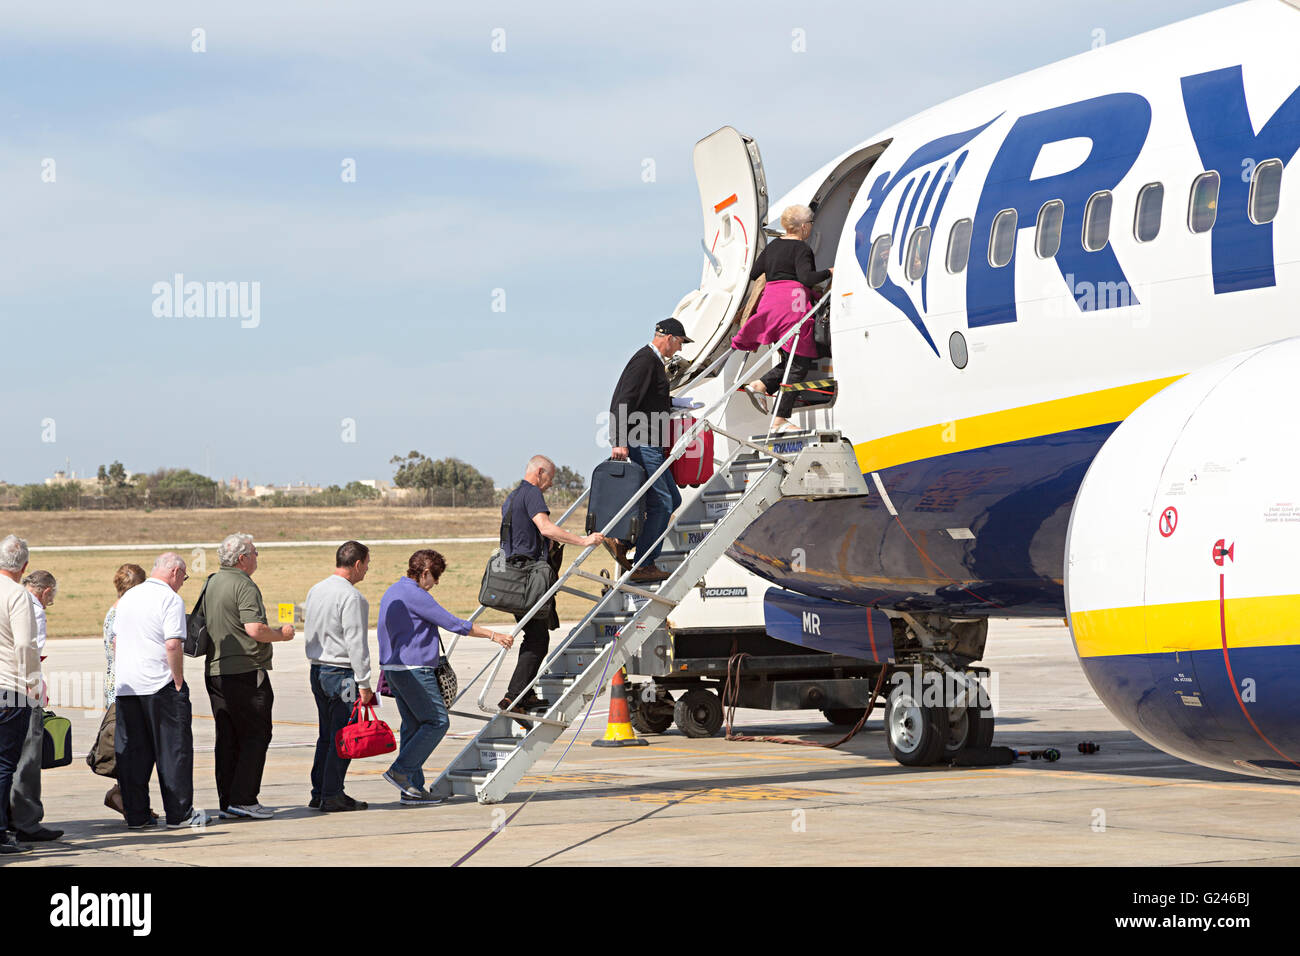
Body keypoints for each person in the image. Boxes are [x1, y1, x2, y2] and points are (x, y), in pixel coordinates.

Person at [378, 550, 512, 806]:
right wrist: (493, 635)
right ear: (425, 572)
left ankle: (412, 791)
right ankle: (400, 771)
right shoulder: (416, 594)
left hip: (393, 669)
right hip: (414, 669)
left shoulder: (392, 591)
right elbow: (453, 623)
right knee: (437, 722)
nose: (436, 583)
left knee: (413, 726)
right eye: (436, 576)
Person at [498, 455, 603, 713]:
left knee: (533, 636)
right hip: (528, 579)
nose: (550, 484)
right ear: (540, 472)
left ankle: (526, 693)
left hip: (511, 578)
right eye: (550, 479)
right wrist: (583, 541)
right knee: (537, 639)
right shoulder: (532, 493)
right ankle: (514, 698)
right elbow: (545, 528)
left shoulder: (511, 497)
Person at [112, 552, 209, 830]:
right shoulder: (170, 598)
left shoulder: (128, 597)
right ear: (176, 573)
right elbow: (173, 644)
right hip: (159, 685)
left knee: (133, 754)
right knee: (173, 750)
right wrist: (178, 680)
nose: (182, 583)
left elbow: (117, 641)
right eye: (184, 577)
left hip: (128, 687)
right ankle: (179, 814)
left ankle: (137, 815)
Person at [202, 533, 294, 820]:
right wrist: (280, 635)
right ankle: (244, 798)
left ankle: (228, 800)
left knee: (227, 737)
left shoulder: (212, 582)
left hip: (216, 670)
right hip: (245, 671)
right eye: (254, 553)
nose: (257, 557)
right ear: (242, 558)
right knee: (256, 735)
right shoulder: (244, 585)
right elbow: (255, 629)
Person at [731, 204, 833, 432]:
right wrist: (830, 272)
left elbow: (756, 272)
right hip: (791, 306)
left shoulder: (773, 246)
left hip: (771, 304)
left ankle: (761, 384)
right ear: (805, 227)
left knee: (793, 359)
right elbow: (807, 278)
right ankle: (779, 420)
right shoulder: (801, 248)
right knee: (800, 363)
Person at [607, 318, 692, 582]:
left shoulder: (653, 362)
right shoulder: (645, 361)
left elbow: (647, 399)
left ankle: (623, 542)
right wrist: (618, 440)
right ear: (668, 338)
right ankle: (643, 564)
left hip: (650, 440)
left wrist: (674, 404)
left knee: (673, 501)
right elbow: (622, 400)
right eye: (679, 343)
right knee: (663, 502)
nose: (679, 350)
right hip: (641, 440)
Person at [304, 540, 373, 813]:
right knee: (345, 736)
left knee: (326, 735)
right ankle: (332, 794)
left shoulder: (316, 589)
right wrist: (365, 682)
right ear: (357, 564)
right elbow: (356, 642)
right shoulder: (352, 597)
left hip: (318, 669)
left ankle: (320, 790)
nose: (367, 571)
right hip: (342, 673)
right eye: (366, 565)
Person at [9, 570, 62, 842]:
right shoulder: (34, 609)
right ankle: (27, 822)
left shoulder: (7, 597)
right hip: (21, 689)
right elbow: (32, 652)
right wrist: (36, 690)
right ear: (45, 591)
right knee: (28, 756)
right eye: (52, 596)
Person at [100, 563, 149, 820]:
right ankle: (125, 797)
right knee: (131, 747)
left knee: (131, 746)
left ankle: (128, 797)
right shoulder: (124, 613)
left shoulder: (115, 610)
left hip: (117, 686)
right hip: (125, 688)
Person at [0, 535, 39, 854]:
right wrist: (33, 682)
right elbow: (25, 644)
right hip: (9, 688)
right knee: (4, 764)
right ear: (24, 566)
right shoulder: (17, 595)